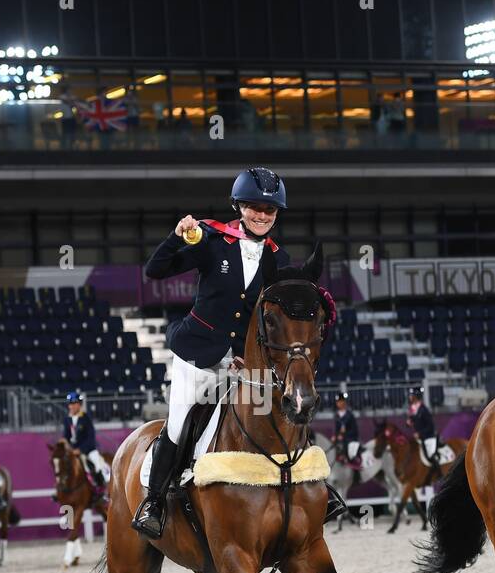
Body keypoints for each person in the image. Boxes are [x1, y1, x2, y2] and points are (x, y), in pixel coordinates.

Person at [132, 167, 345, 538]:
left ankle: (315, 489)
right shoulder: (213, 239)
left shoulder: (277, 258)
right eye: (254, 207)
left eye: (270, 210)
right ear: (239, 207)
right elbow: (156, 270)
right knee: (181, 425)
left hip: (242, 360)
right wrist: (177, 235)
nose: (261, 215)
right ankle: (153, 501)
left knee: (282, 411)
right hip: (197, 353)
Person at [62, 392, 112, 495]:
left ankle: (107, 487)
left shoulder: (85, 418)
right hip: (73, 451)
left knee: (99, 464)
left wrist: (80, 450)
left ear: (79, 405)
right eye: (70, 404)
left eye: (74, 403)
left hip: (88, 450)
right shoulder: (67, 419)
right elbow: (66, 436)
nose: (71, 406)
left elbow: (90, 438)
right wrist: (66, 444)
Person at [407, 387, 440, 465]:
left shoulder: (424, 410)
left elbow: (430, 426)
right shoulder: (413, 409)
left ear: (416, 397)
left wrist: (419, 433)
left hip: (428, 438)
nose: (410, 397)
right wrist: (409, 422)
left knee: (431, 458)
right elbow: (413, 421)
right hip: (420, 439)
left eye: (411, 395)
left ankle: (440, 474)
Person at [332, 391, 361, 465]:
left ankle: (355, 468)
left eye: (341, 401)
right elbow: (337, 429)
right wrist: (335, 436)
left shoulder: (350, 415)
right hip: (340, 439)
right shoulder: (337, 416)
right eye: (338, 402)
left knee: (350, 450)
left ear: (344, 402)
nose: (339, 403)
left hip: (350, 439)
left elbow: (355, 430)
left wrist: (344, 435)